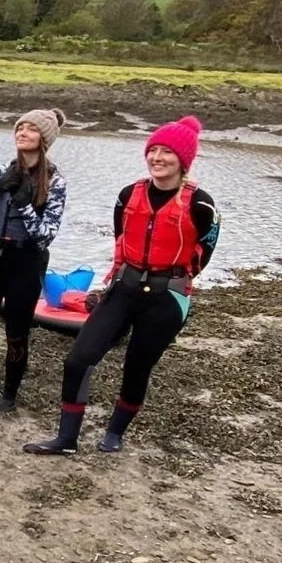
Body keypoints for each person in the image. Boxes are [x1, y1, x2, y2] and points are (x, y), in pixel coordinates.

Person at [24, 115, 220, 455]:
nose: (157, 158)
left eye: (167, 152)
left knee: (137, 367)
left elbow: (205, 252)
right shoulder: (128, 194)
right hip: (123, 289)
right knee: (78, 360)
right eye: (153, 150)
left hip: (167, 298)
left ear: (183, 160)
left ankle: (115, 433)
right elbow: (121, 237)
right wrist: (121, 278)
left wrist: (169, 282)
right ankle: (66, 439)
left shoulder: (201, 204)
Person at [0, 109, 67, 413]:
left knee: (17, 333)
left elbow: (45, 236)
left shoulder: (56, 182)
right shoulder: (1, 172)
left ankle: (9, 395)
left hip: (26, 261)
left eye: (31, 129)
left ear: (44, 139)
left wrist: (24, 205)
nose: (22, 133)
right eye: (20, 128)